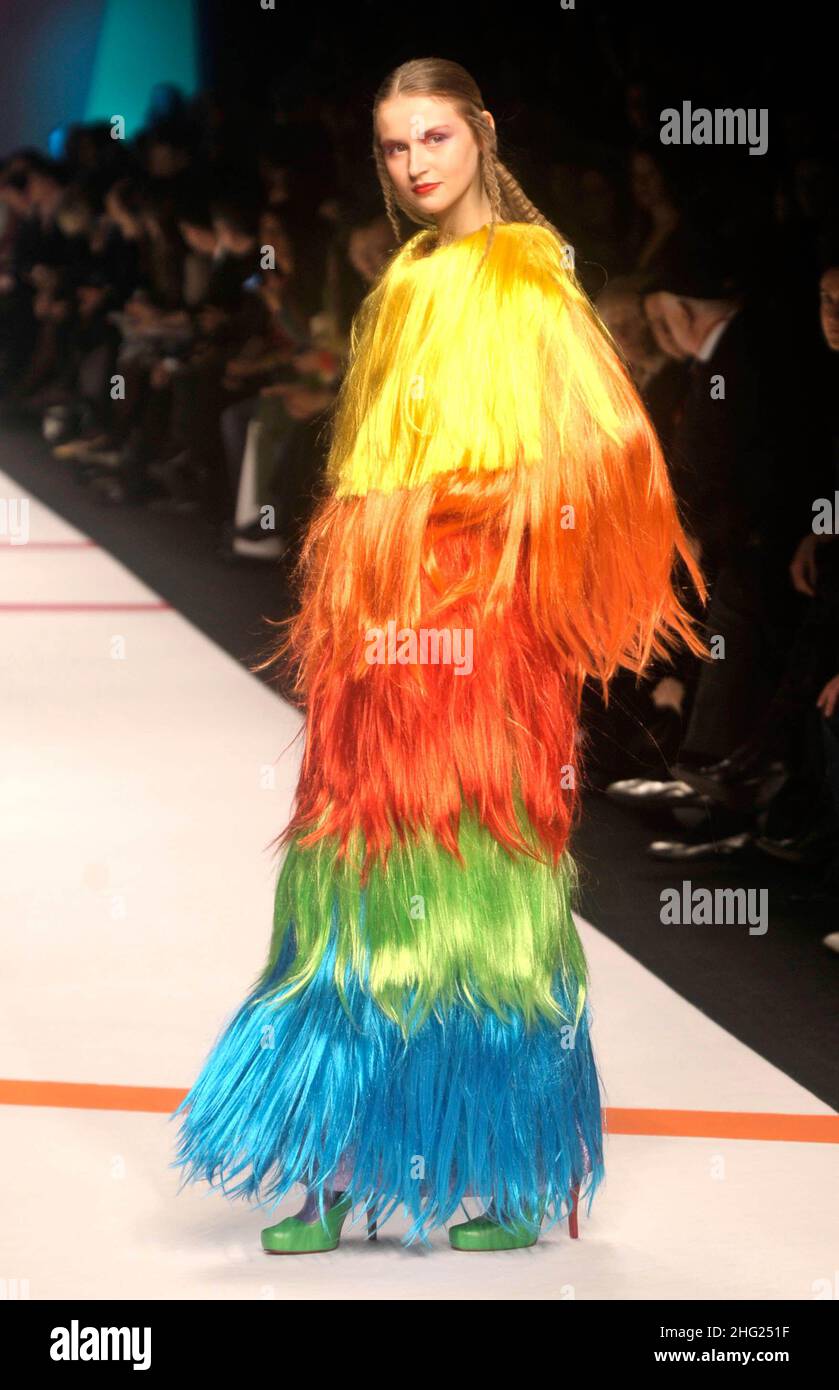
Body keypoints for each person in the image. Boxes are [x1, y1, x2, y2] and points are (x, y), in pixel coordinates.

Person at [169, 58, 707, 1253]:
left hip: (481, 634)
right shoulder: (404, 280)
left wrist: (459, 511)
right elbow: (368, 454)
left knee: (483, 889)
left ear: (482, 135)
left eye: (434, 140)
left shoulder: (530, 276)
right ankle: (335, 1171)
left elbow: (602, 458)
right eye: (396, 147)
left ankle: (509, 1172)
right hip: (378, 637)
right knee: (347, 881)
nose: (414, 166)